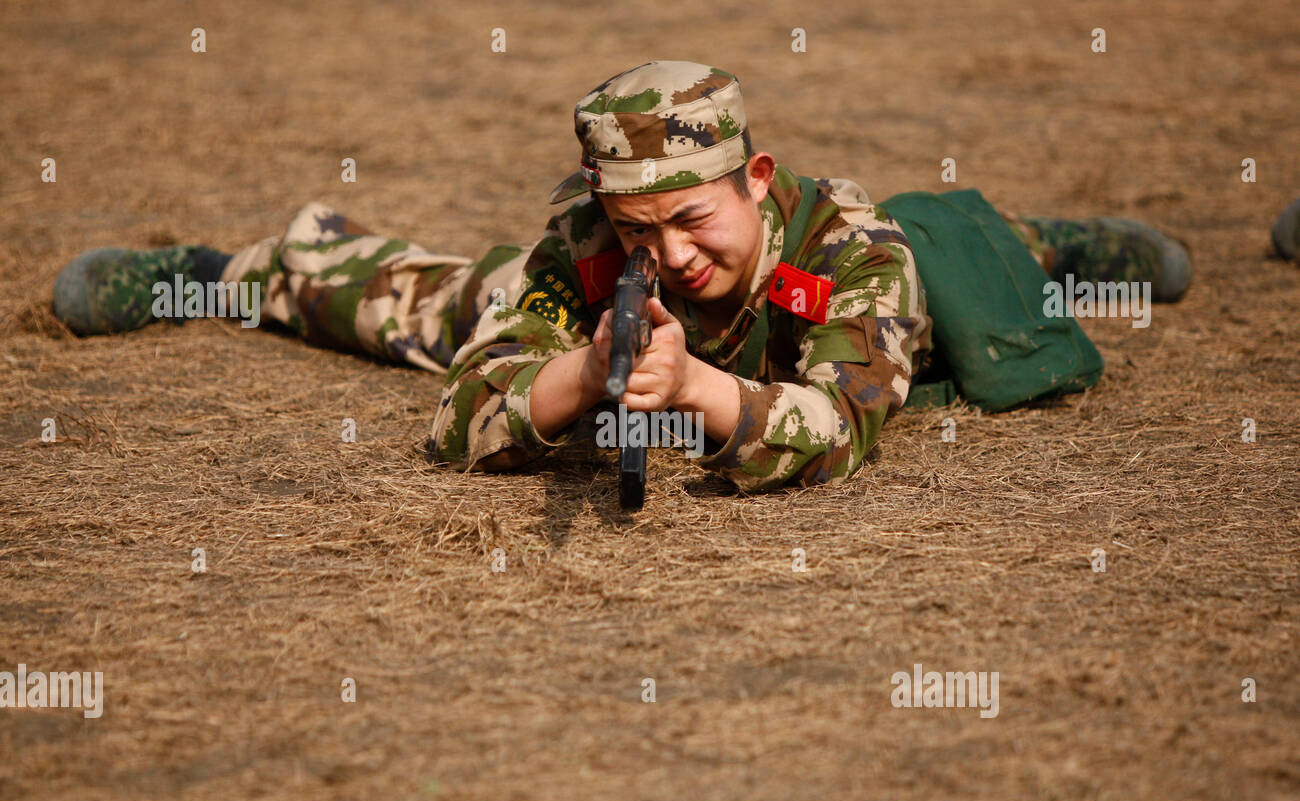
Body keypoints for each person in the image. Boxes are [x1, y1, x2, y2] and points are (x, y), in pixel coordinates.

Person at [51, 61, 1192, 492]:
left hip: (901, 289)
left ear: (753, 178)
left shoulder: (851, 251)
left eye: (693, 220)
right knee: (424, 296)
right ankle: (221, 273)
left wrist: (702, 394)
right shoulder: (599, 255)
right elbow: (461, 403)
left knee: (978, 279)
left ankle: (1062, 246)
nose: (669, 258)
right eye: (635, 231)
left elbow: (846, 420)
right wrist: (575, 373)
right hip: (611, 343)